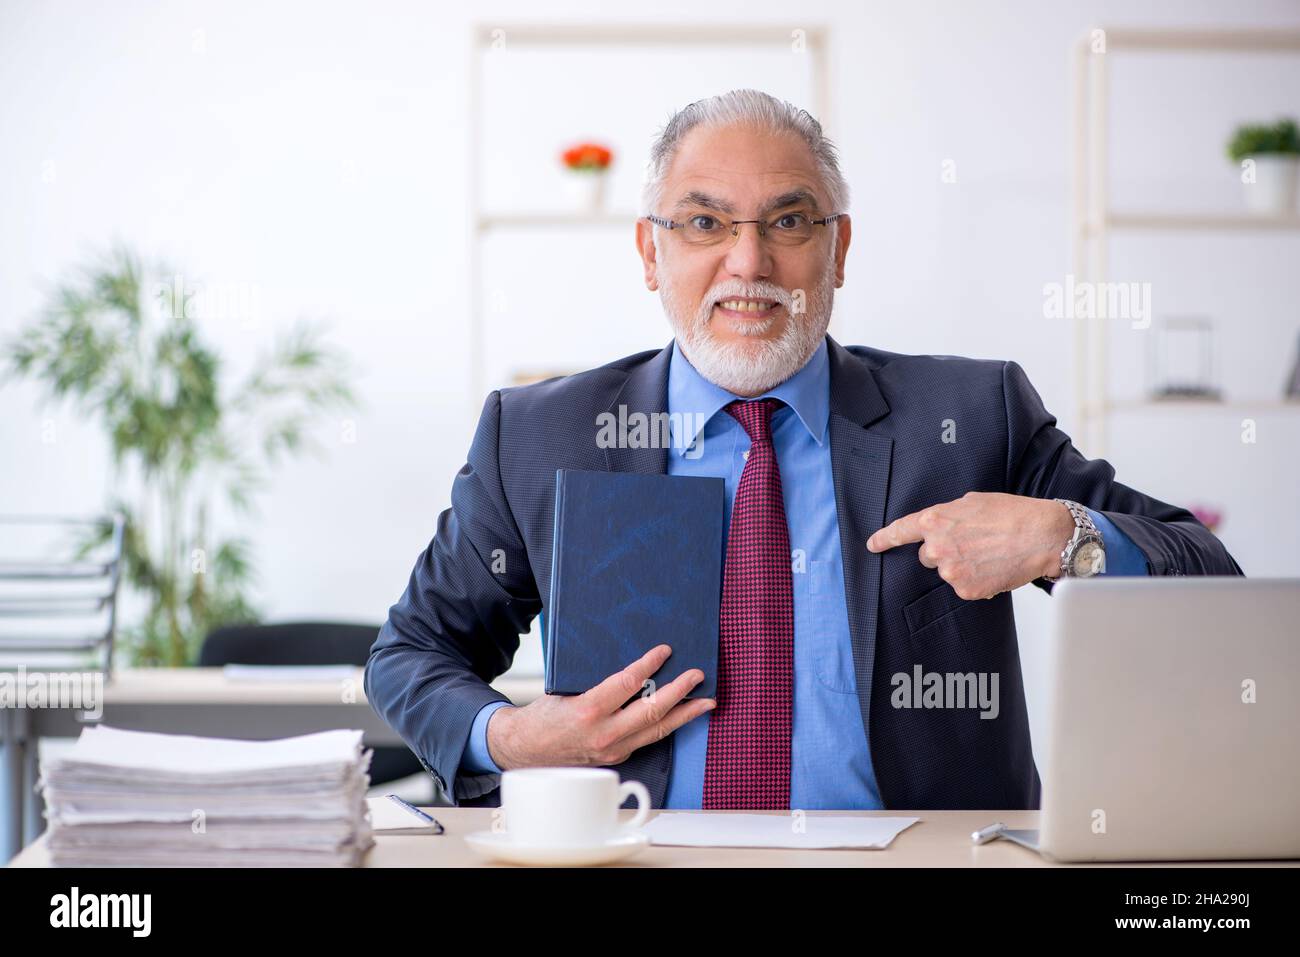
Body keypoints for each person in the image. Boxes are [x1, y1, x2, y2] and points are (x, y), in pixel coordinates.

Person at [365, 89, 1241, 811]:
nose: (750, 262)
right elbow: (411, 654)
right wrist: (513, 736)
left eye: (788, 222)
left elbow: (1210, 578)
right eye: (705, 223)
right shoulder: (541, 433)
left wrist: (1063, 535)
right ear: (649, 250)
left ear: (838, 247)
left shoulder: (974, 416)